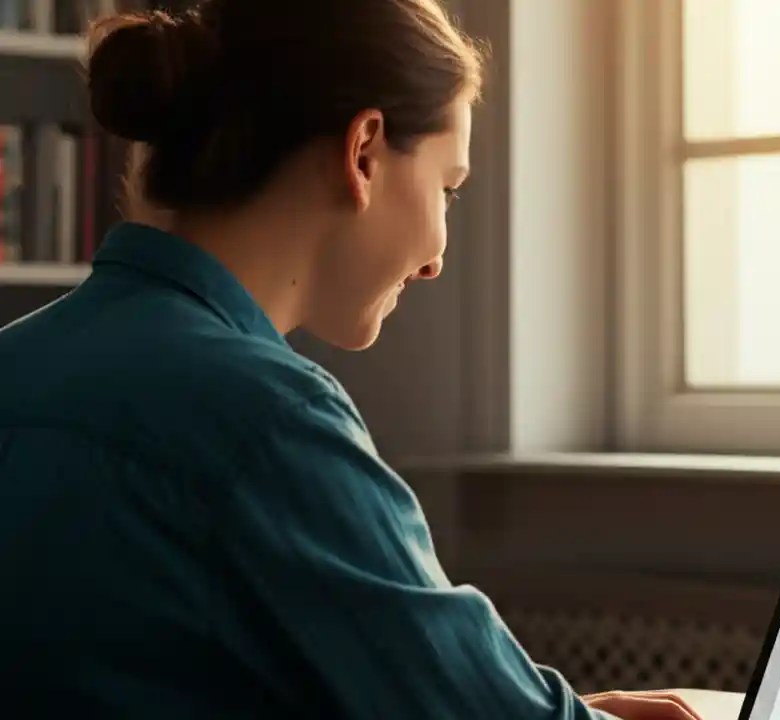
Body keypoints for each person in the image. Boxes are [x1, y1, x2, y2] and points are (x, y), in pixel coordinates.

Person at [0, 2, 704, 718]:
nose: (435, 259)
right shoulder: (266, 416)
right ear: (364, 151)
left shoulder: (16, 361)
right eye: (447, 189)